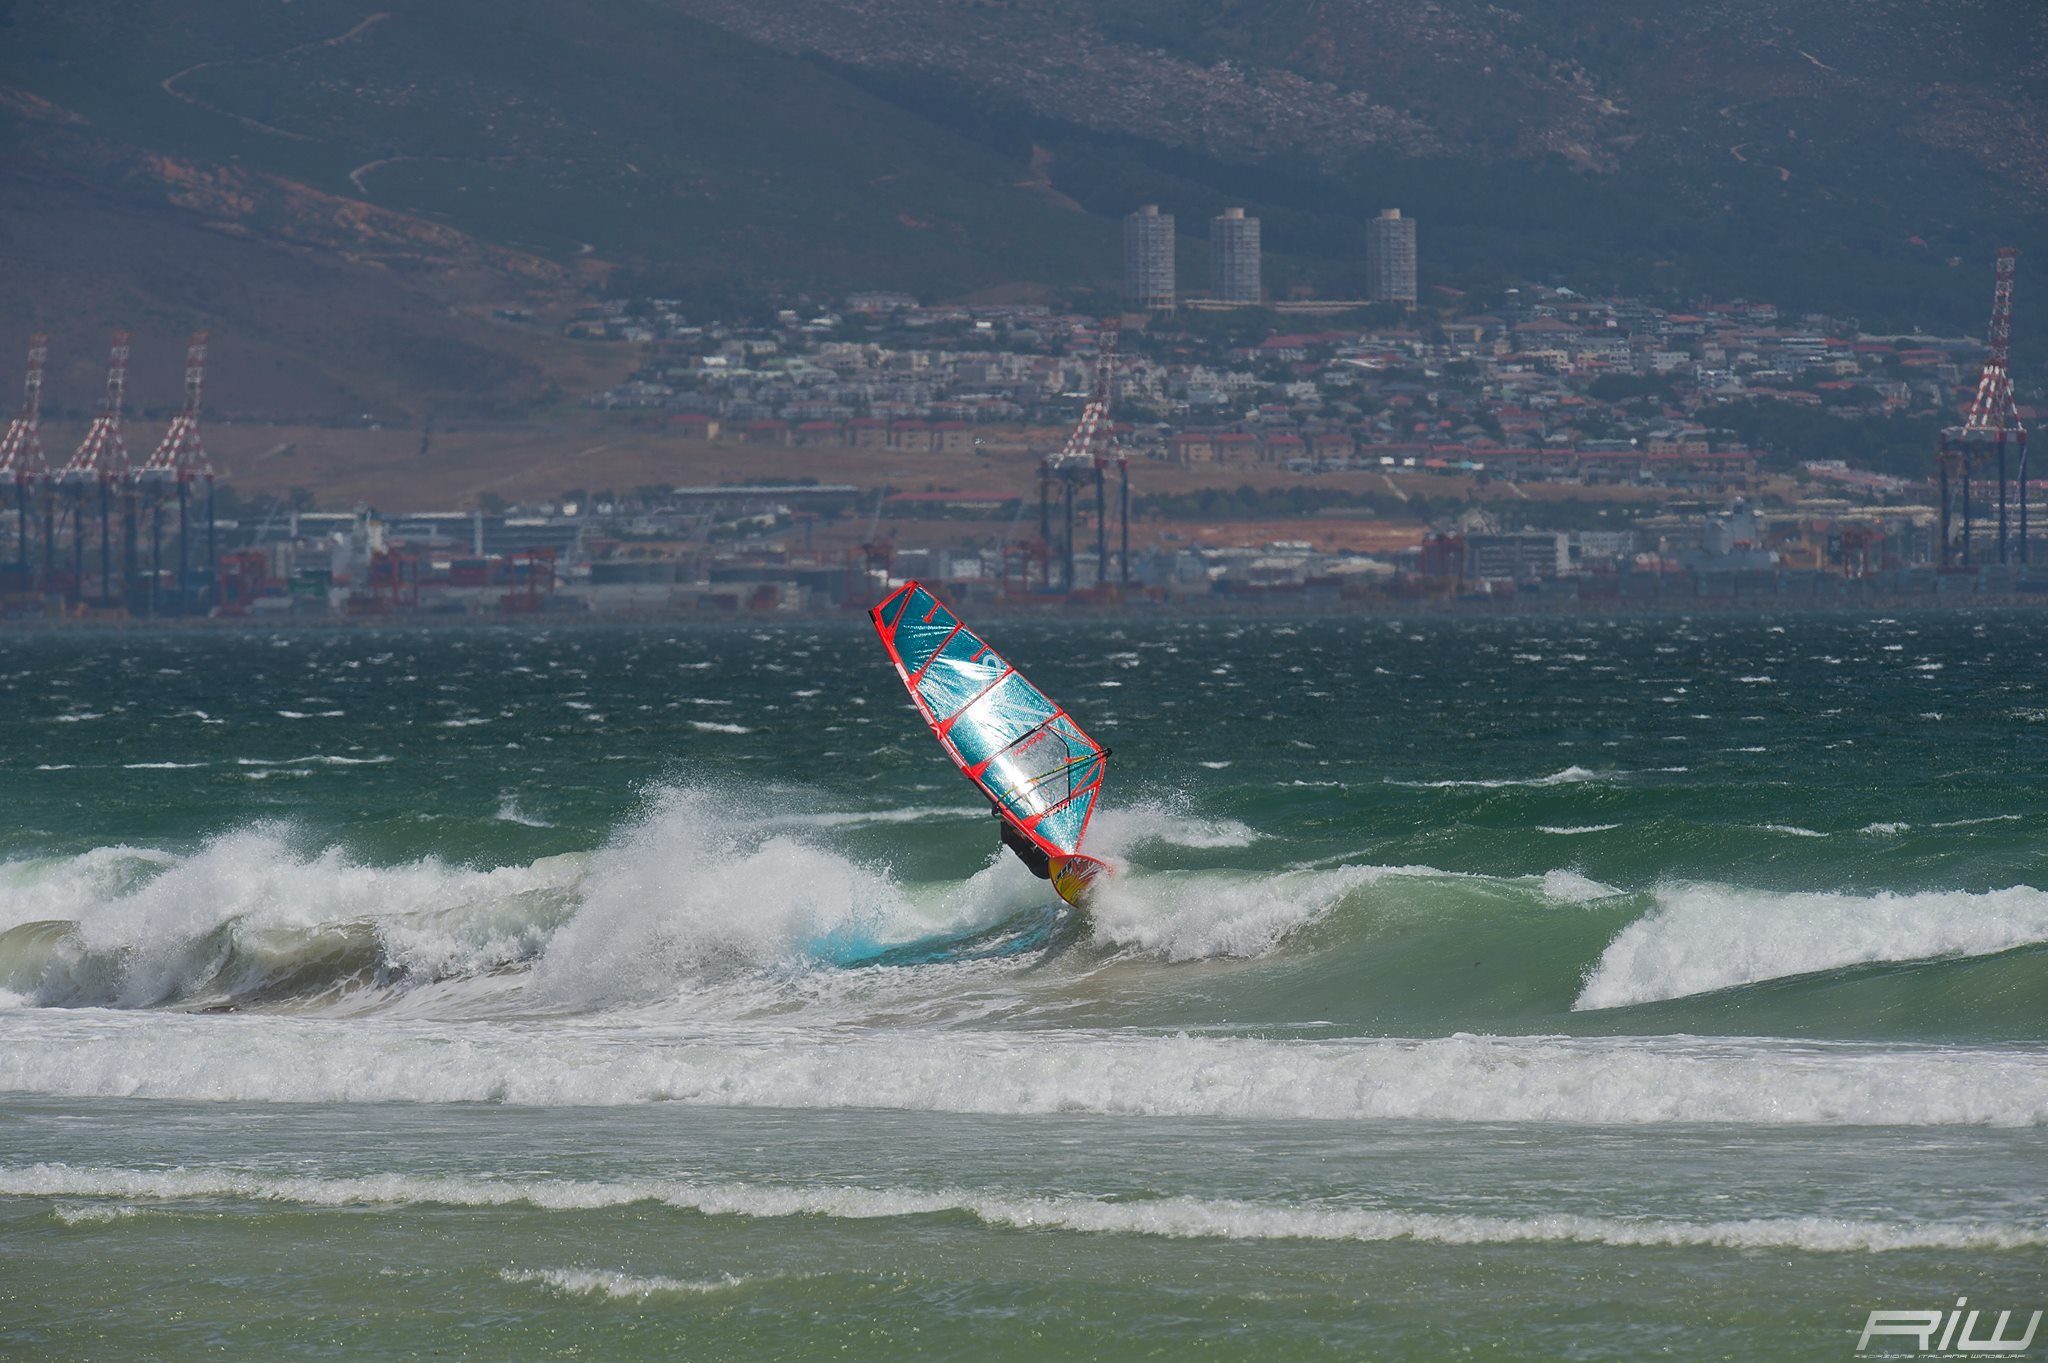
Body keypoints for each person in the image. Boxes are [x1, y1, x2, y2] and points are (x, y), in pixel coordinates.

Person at [995, 807, 1052, 879]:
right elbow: (1006, 838)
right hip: (1041, 869)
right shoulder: (1009, 836)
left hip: (1045, 861)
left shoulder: (1014, 830)